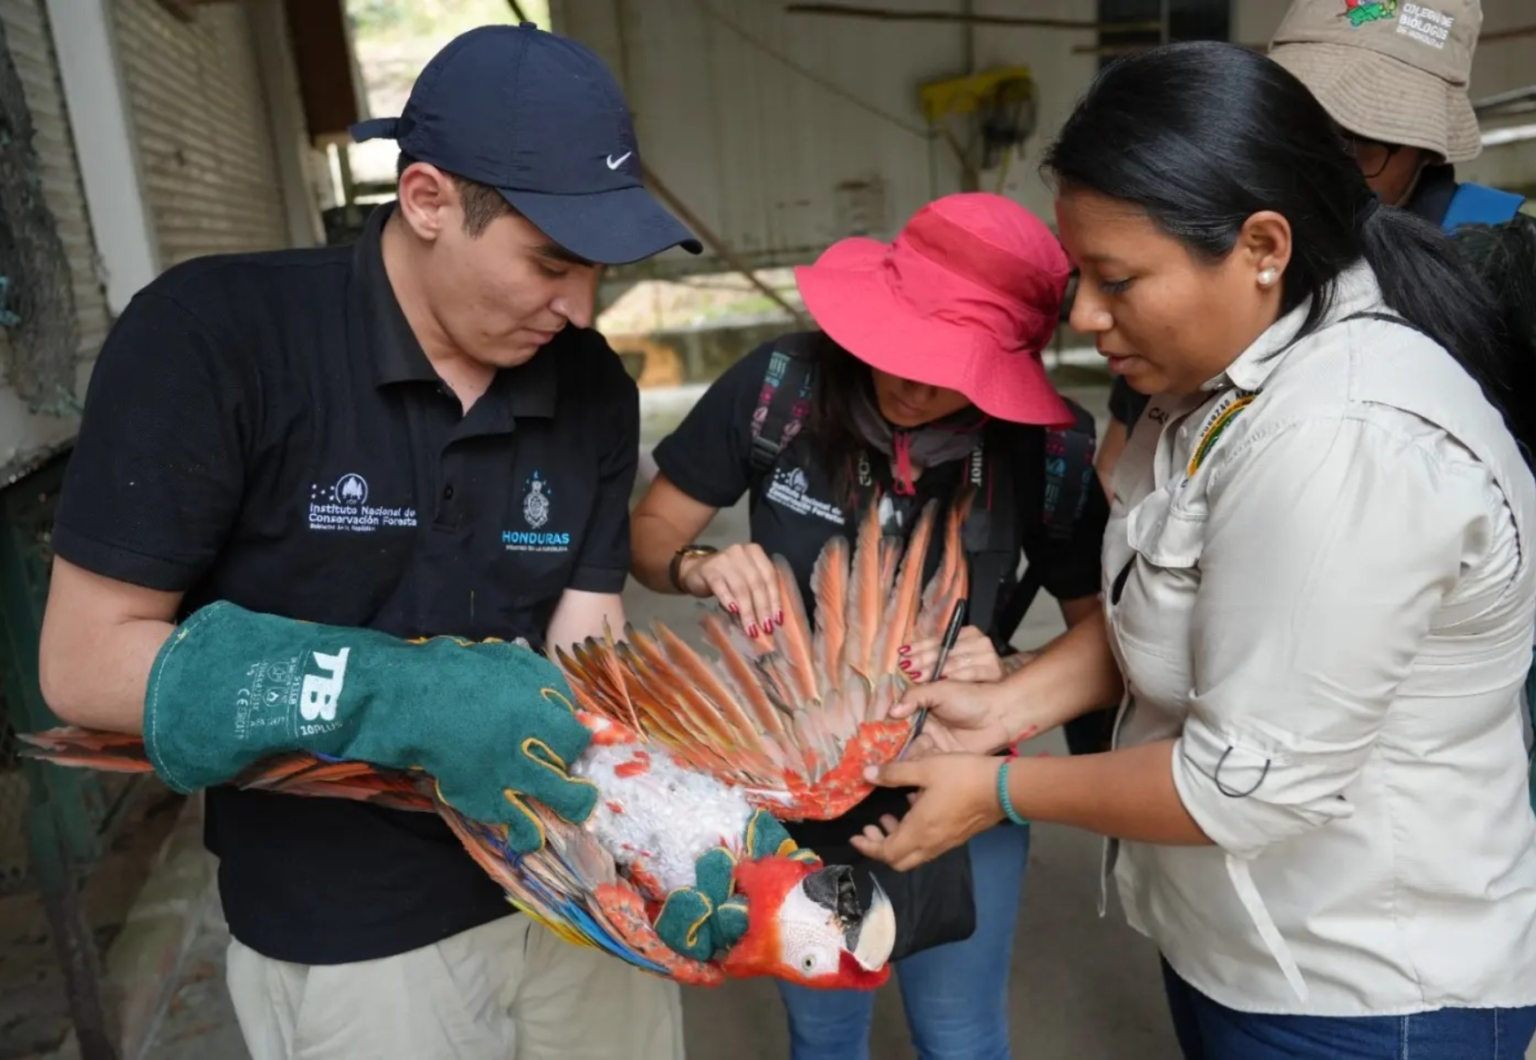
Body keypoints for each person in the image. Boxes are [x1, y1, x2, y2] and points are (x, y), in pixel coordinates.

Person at [850, 42, 1536, 1059]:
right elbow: (1171, 603)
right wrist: (1010, 703)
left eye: (1116, 279)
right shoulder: (1218, 385)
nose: (1083, 317)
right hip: (1247, 947)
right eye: (1079, 274)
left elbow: (1240, 785)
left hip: (1368, 994)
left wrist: (996, 787)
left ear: (1263, 245)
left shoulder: (1341, 440)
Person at [36, 24, 701, 1060]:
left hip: (573, 892)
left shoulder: (591, 387)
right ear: (429, 200)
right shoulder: (213, 339)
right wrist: (391, 691)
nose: (581, 310)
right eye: (553, 262)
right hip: (352, 926)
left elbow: (585, 648)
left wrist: (669, 823)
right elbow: (84, 663)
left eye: (602, 272)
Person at [629, 192, 1109, 1060]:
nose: (916, 383)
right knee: (823, 1024)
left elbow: (1107, 643)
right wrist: (700, 565)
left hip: (960, 781)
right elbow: (650, 538)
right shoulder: (779, 389)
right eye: (904, 345)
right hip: (791, 769)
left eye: (951, 362)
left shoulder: (1052, 452)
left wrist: (1009, 670)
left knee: (960, 1032)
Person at [1098, 0, 1533, 476]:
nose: (1315, 167)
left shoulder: (1498, 255)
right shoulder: (1214, 244)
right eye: (1297, 130)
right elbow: (1120, 456)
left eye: (1358, 143)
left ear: (1425, 152)